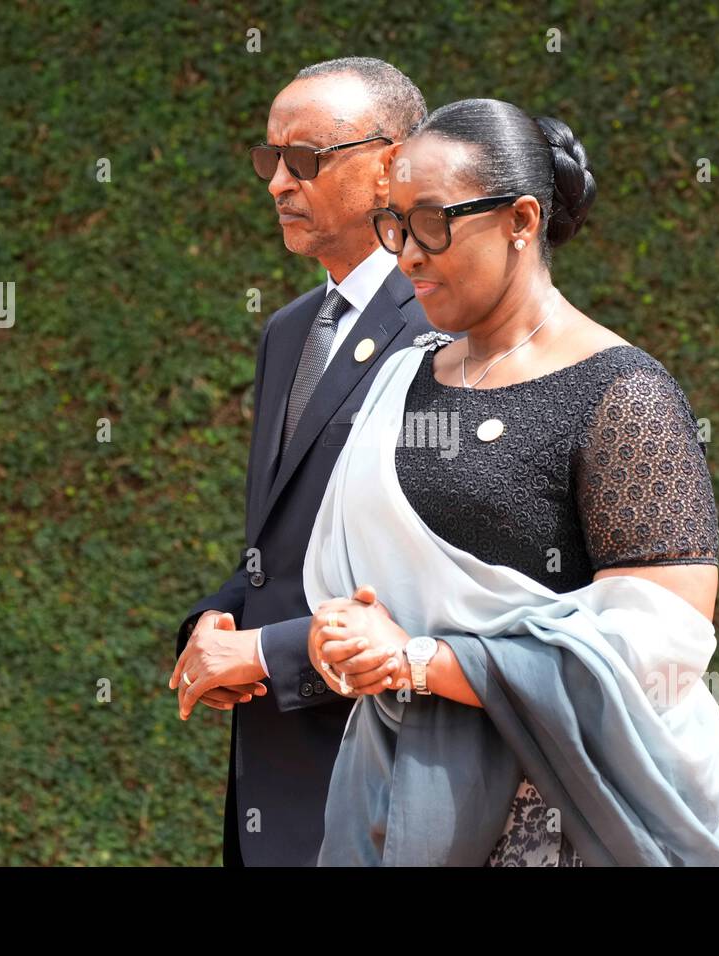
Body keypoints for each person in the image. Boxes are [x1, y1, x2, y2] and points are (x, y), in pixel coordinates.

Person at [303, 99, 719, 866]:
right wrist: (337, 636)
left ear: (520, 219)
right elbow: (354, 577)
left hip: (566, 811)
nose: (408, 254)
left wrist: (421, 662)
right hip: (396, 788)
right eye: (396, 225)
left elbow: (660, 650)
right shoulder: (400, 379)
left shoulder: (621, 395)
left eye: (434, 222)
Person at [168, 58, 433, 866]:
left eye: (306, 159)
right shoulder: (289, 329)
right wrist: (213, 621)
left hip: (388, 774)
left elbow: (439, 587)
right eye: (270, 159)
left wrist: (262, 655)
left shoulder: (445, 322)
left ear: (392, 162)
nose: (278, 183)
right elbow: (282, 545)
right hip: (268, 788)